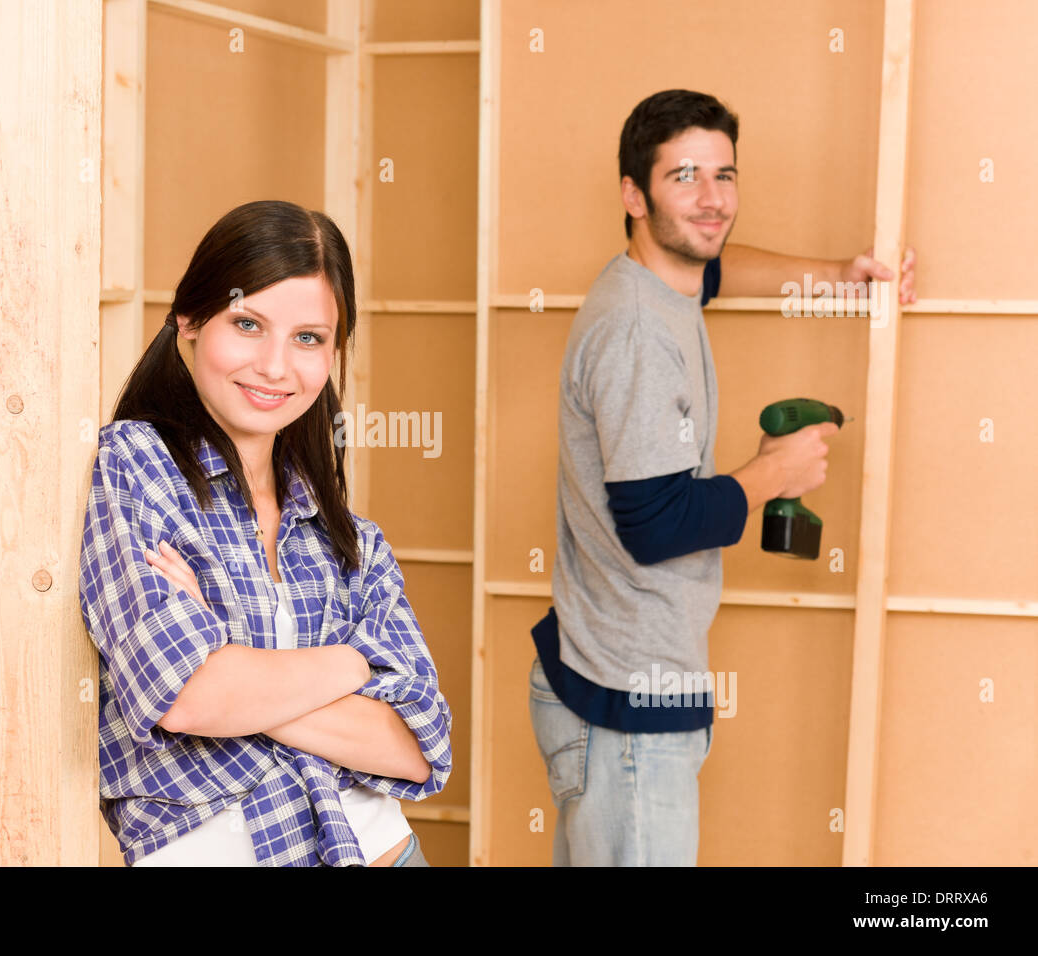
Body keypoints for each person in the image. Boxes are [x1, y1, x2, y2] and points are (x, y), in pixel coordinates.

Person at [529, 89, 917, 866]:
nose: (711, 201)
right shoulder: (637, 331)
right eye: (684, 178)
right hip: (625, 701)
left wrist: (839, 277)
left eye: (725, 176)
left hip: (626, 680)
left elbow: (717, 267)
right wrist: (772, 474)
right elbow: (654, 524)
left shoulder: (661, 281)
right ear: (633, 195)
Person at [79, 199, 451, 867]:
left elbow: (418, 750)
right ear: (188, 319)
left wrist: (232, 666)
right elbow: (188, 697)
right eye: (248, 324)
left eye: (308, 338)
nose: (277, 367)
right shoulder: (136, 463)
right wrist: (354, 663)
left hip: (386, 853)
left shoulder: (352, 541)